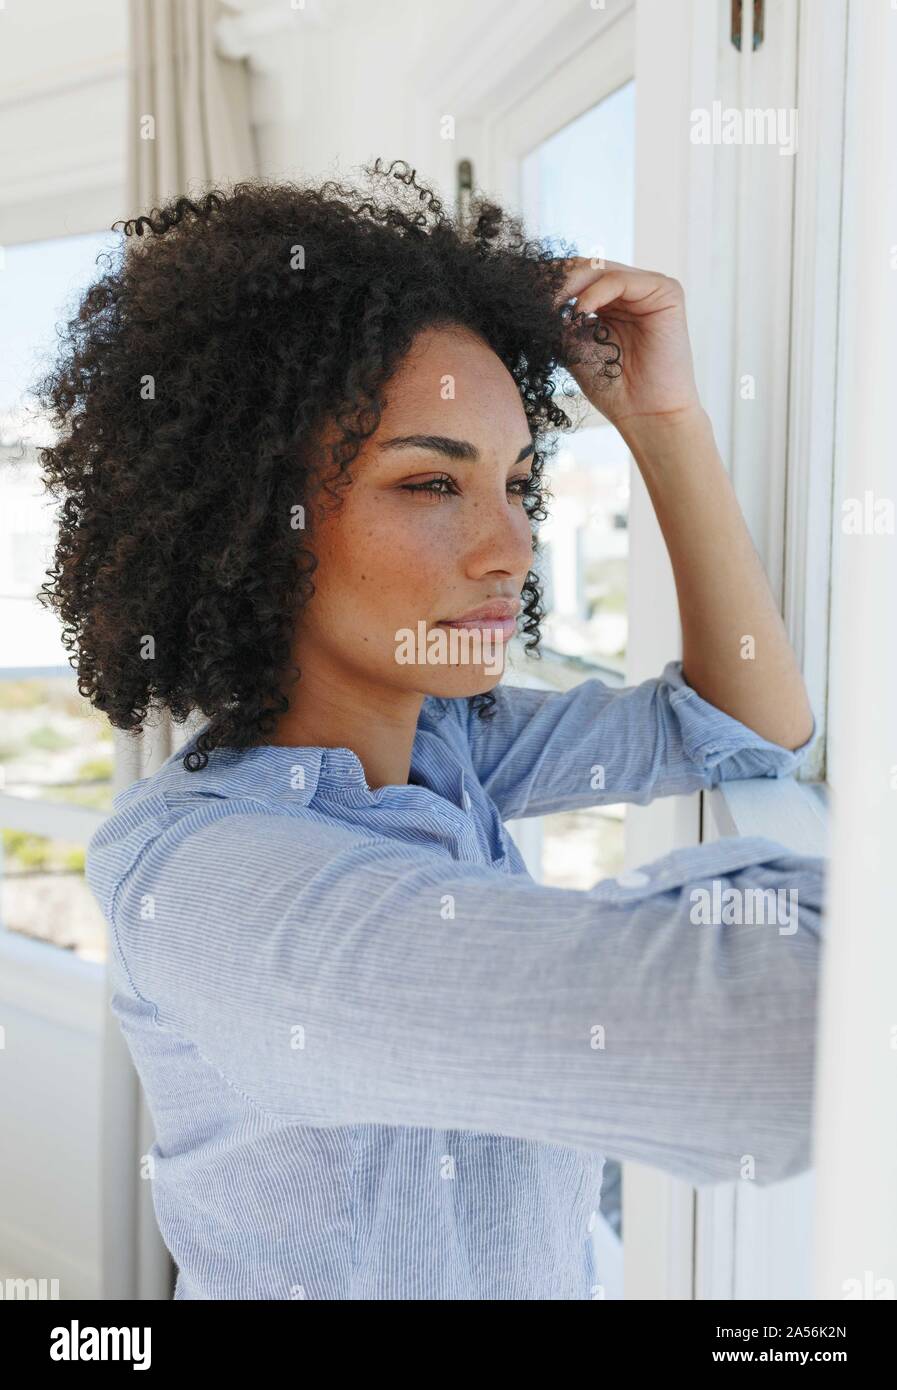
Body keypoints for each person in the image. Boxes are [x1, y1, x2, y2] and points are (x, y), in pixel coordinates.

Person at [35, 160, 824, 1300]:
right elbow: (776, 1046)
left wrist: (664, 423)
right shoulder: (213, 884)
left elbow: (748, 722)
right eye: (429, 484)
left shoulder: (451, 744)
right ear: (258, 521)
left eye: (519, 481)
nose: (513, 547)